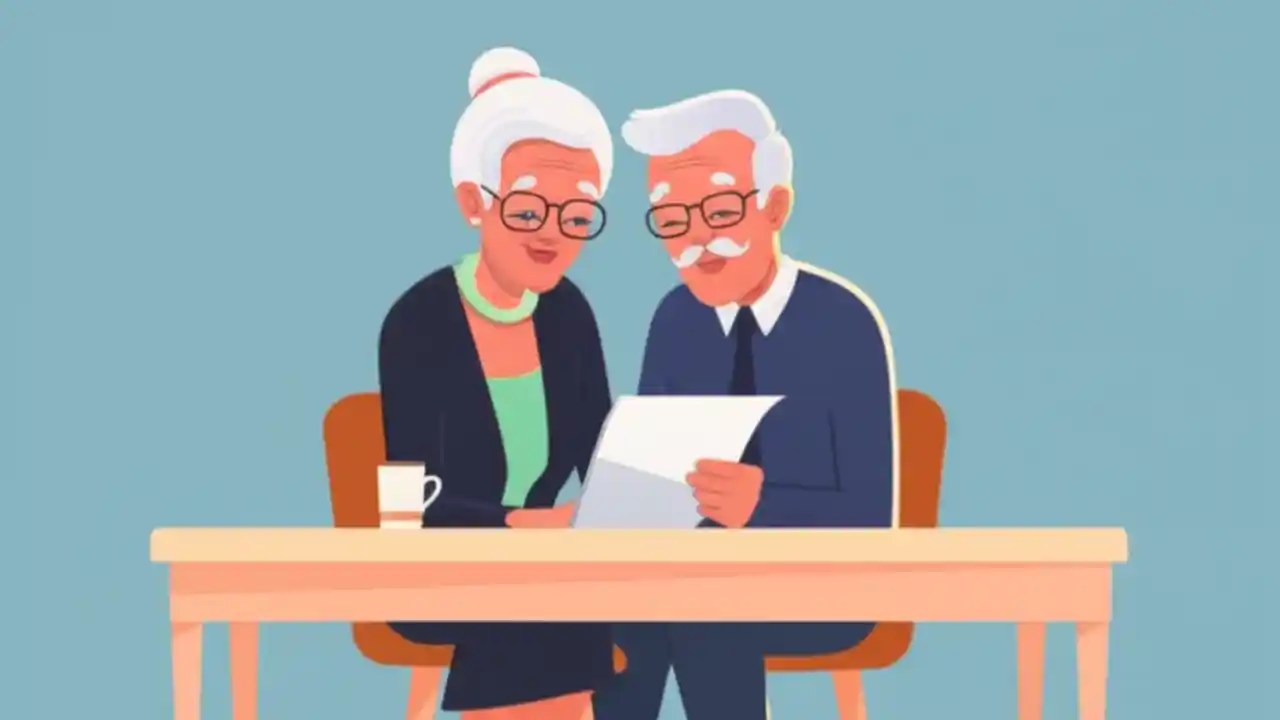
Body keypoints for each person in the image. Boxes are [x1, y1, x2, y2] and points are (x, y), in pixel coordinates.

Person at [591, 90, 899, 720]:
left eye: (720, 210)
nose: (696, 239)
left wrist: (763, 506)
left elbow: (872, 518)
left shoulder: (844, 322)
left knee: (704, 613)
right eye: (671, 219)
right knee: (611, 617)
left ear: (775, 206)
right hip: (690, 580)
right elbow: (654, 492)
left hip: (823, 587)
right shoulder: (675, 319)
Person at [377, 47, 616, 720]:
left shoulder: (568, 314)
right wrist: (520, 526)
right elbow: (411, 506)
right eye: (528, 209)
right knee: (543, 595)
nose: (553, 235)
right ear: (472, 203)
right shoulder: (418, 320)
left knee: (588, 594)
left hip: (550, 565)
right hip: (439, 565)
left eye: (576, 215)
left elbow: (600, 460)